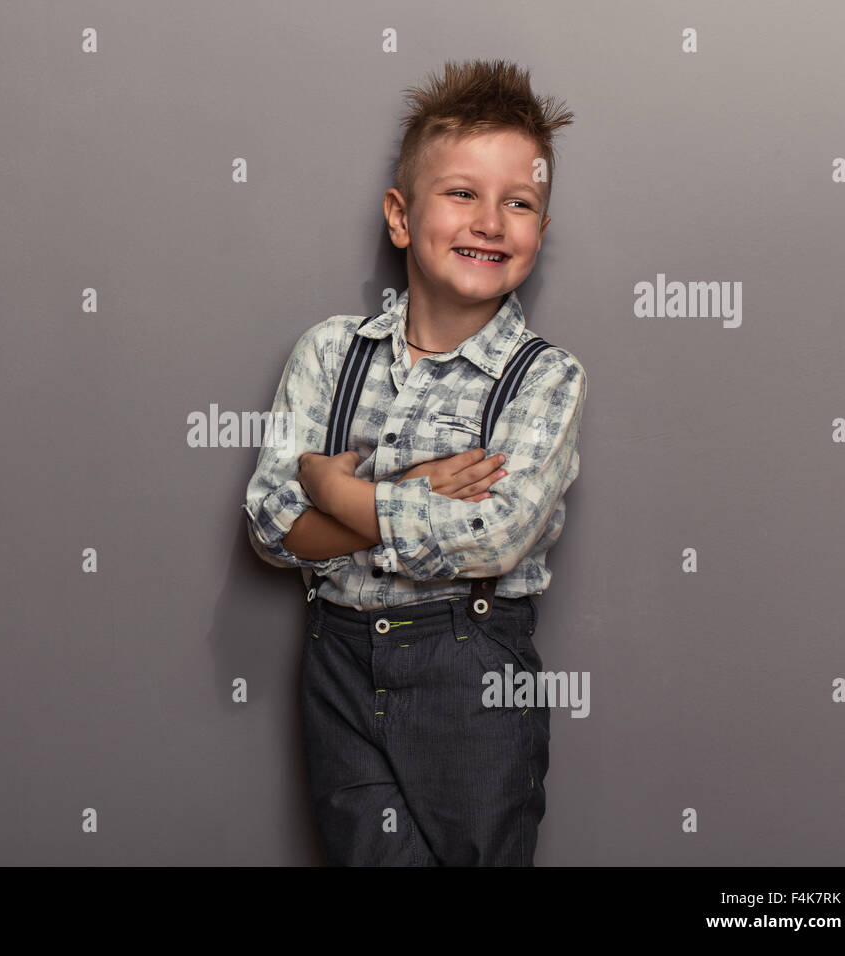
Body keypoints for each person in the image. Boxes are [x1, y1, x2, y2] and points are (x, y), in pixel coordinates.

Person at [242, 59, 586, 866]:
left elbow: (493, 538)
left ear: (540, 227)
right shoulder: (330, 353)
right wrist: (409, 490)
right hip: (338, 662)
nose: (492, 222)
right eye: (463, 193)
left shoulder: (545, 377)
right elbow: (269, 524)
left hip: (472, 671)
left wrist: (337, 489)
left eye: (521, 202)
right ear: (401, 216)